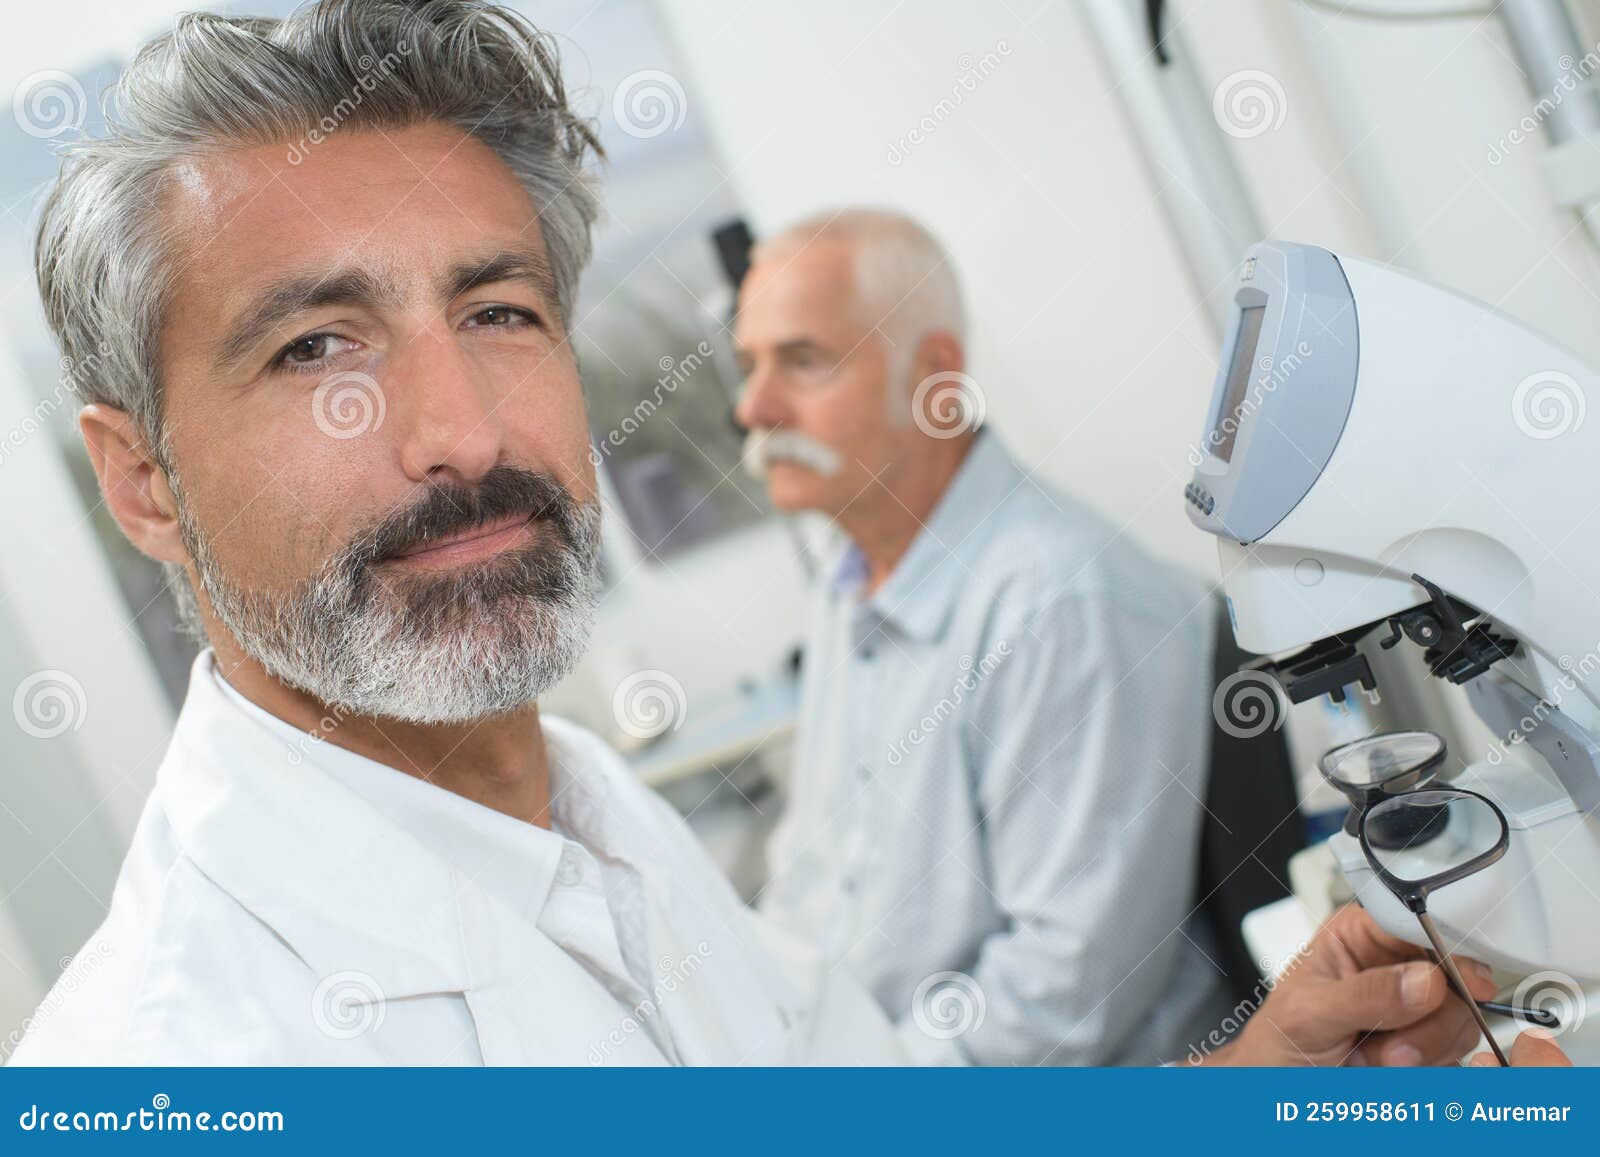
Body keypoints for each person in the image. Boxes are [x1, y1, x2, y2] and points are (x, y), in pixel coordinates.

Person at [8, 0, 1533, 1069]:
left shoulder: (586, 811)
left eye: (497, 311)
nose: (460, 431)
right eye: (314, 350)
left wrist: (1258, 1084)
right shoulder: (174, 1064)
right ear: (143, 481)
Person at [736, 209, 1229, 1064]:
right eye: (748, 366)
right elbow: (813, 879)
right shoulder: (847, 587)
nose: (754, 407)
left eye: (803, 360)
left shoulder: (1060, 604)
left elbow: (1065, 994)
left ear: (934, 376)